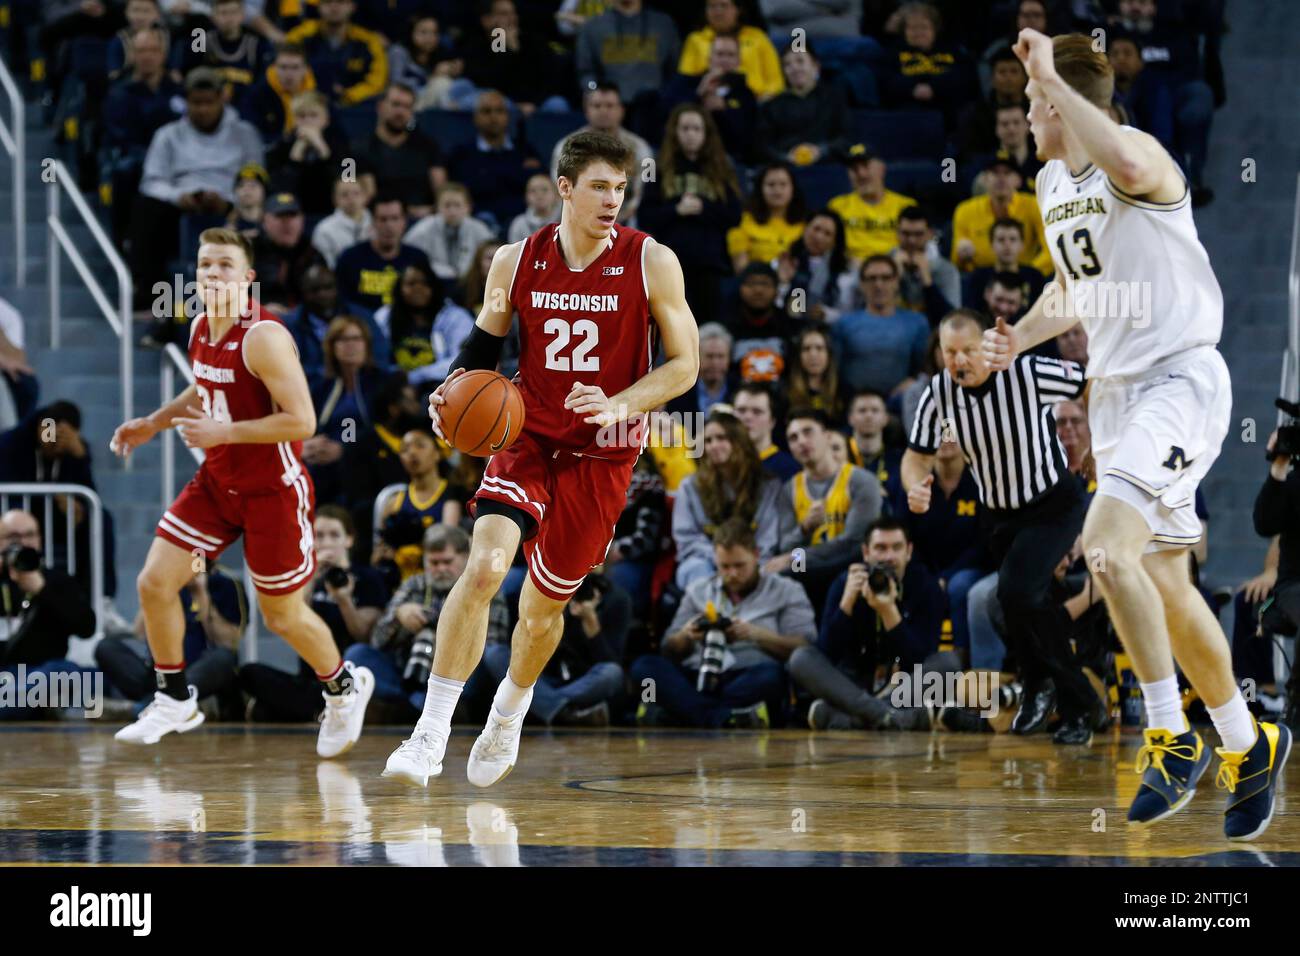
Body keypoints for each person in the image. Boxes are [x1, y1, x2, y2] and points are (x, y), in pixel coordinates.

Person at [981, 29, 1285, 839]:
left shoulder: (1141, 154)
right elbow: (1076, 289)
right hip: (1116, 396)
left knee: (1105, 548)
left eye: (1035, 103)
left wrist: (1056, 75)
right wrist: (1021, 336)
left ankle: (1167, 736)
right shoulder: (1050, 181)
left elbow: (1122, 163)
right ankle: (1250, 744)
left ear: (1063, 102)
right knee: (1168, 588)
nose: (1026, 115)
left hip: (1178, 379)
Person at [382, 130, 700, 788]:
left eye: (621, 188)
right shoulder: (514, 261)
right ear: (565, 188)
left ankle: (511, 707)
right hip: (527, 435)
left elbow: (686, 365)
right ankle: (430, 731)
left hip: (604, 452)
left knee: (541, 609)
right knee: (484, 566)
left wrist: (620, 403)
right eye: (599, 187)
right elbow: (479, 355)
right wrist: (450, 395)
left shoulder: (652, 261)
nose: (613, 200)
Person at [107, 228, 374, 757]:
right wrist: (154, 422)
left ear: (248, 278)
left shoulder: (264, 337)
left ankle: (345, 688)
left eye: (225, 265)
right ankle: (174, 698)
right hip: (218, 481)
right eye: (205, 264)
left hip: (272, 490)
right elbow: (204, 385)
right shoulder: (202, 325)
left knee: (282, 615)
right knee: (155, 583)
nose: (212, 273)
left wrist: (224, 432)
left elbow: (300, 421)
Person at [632, 517, 813, 728]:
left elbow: (805, 649)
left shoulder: (787, 590)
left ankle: (684, 714)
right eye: (724, 567)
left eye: (739, 565)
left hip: (747, 676)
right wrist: (687, 635)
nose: (732, 574)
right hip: (698, 675)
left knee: (773, 677)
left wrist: (757, 634)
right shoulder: (698, 590)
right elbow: (668, 649)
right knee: (644, 667)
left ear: (756, 556)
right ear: (715, 561)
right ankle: (722, 717)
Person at [128, 67, 265, 314]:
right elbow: (151, 181)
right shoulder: (168, 135)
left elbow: (257, 179)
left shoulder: (245, 134)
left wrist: (229, 201)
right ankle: (149, 296)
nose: (203, 109)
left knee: (259, 213)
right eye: (196, 102)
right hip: (180, 202)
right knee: (146, 208)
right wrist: (178, 197)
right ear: (186, 102)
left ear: (222, 98)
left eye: (209, 102)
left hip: (232, 202)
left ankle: (253, 302)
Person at [788, 516, 943, 730]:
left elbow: (920, 659)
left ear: (908, 552)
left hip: (901, 687)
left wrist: (888, 612)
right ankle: (892, 718)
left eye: (896, 548)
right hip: (852, 685)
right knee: (800, 658)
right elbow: (826, 655)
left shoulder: (926, 585)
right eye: (880, 548)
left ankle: (849, 718)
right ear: (866, 553)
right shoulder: (845, 583)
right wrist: (847, 603)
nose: (888, 557)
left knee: (948, 663)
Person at [241, 505, 389, 722]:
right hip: (311, 678)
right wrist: (311, 575)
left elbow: (364, 635)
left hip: (349, 675)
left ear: (349, 539)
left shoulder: (368, 578)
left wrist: (344, 600)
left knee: (264, 710)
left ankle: (312, 709)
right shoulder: (304, 580)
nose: (326, 543)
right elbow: (289, 619)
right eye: (319, 536)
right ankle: (320, 711)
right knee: (248, 672)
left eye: (334, 535)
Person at [352, 525, 509, 719]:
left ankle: (416, 708)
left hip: (459, 674)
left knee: (491, 657)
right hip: (412, 672)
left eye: (447, 562)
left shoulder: (483, 587)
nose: (441, 569)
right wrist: (399, 616)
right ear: (425, 560)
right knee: (357, 654)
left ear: (466, 557)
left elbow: (492, 642)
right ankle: (414, 705)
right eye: (434, 563)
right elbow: (377, 641)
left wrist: (443, 636)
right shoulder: (414, 584)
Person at [637, 104, 742, 324]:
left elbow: (734, 215)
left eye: (696, 129)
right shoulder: (654, 167)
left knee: (708, 327)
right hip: (670, 264)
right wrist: (676, 210)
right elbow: (645, 215)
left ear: (706, 134)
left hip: (712, 265)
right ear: (674, 132)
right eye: (685, 128)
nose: (691, 134)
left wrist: (704, 209)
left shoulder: (724, 167)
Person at [482, 569, 629, 726]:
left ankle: (543, 706)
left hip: (583, 682)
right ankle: (561, 712)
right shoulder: (543, 590)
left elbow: (612, 663)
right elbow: (524, 650)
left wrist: (590, 622)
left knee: (611, 673)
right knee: (495, 654)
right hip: (541, 679)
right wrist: (555, 613)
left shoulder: (617, 599)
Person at [96, 565, 245, 718]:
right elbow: (139, 633)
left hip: (197, 673)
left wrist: (201, 593)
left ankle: (141, 708)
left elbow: (226, 642)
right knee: (105, 647)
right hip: (159, 673)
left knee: (225, 658)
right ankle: (166, 706)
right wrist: (151, 590)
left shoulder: (225, 583)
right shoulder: (166, 581)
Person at [0, 510, 98, 720]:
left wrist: (43, 591)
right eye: (13, 537)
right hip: (5, 676)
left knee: (70, 672)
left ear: (39, 540)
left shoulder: (57, 580)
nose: (23, 543)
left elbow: (86, 627)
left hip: (44, 674)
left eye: (29, 535)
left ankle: (23, 703)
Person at [671, 409, 784, 589]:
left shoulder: (767, 486)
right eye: (708, 440)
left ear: (739, 441)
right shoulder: (690, 487)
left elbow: (768, 538)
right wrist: (723, 561)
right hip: (706, 562)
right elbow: (687, 540)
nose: (713, 446)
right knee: (694, 569)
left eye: (722, 438)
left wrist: (743, 562)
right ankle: (711, 617)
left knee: (774, 572)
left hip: (756, 561)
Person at [550, 84, 654, 226]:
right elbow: (559, 190)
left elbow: (648, 188)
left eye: (610, 106)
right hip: (579, 217)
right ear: (586, 111)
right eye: (597, 106)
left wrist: (618, 217)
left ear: (621, 111)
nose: (603, 111)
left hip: (625, 217)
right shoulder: (564, 146)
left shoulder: (643, 148)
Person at [831, 255, 930, 397]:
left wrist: (913, 382)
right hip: (854, 407)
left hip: (902, 405)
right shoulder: (843, 324)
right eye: (872, 278)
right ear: (861, 284)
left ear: (896, 282)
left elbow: (924, 369)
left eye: (886, 278)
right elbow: (835, 371)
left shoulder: (917, 323)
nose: (878, 285)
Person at [375, 261, 476, 390]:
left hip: (441, 385)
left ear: (434, 287)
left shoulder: (456, 317)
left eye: (424, 283)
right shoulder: (384, 316)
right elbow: (376, 358)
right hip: (394, 386)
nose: (418, 288)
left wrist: (414, 376)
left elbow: (462, 362)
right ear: (399, 288)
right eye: (411, 283)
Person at [353, 83, 447, 219]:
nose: (401, 112)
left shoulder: (429, 146)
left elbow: (442, 191)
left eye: (407, 107)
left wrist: (432, 210)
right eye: (396, 105)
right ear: (380, 107)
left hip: (422, 220)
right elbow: (346, 184)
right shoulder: (354, 149)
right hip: (375, 220)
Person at [950, 157, 1051, 276]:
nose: (1001, 179)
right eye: (994, 173)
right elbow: (956, 263)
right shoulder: (965, 210)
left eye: (1007, 173)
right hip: (982, 279)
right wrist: (962, 256)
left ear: (1018, 180)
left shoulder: (1034, 205)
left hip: (1026, 278)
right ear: (985, 179)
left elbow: (1050, 252)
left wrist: (1028, 274)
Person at [334, 195, 432, 312]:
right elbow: (343, 303)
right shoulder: (350, 258)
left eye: (395, 218)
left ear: (404, 222)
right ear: (373, 222)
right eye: (383, 219)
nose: (389, 226)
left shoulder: (418, 258)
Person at [755, 43, 848, 166]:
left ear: (816, 66)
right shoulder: (772, 106)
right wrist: (786, 158)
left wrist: (820, 151)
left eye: (800, 61)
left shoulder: (834, 99)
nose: (794, 68)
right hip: (786, 169)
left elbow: (846, 138)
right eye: (787, 64)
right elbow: (763, 146)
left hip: (828, 167)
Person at [283, 0, 387, 106]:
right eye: (327, 2)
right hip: (305, 104)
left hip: (353, 109)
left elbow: (376, 82)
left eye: (340, 2)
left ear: (352, 6)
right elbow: (282, 68)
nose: (334, 6)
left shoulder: (368, 42)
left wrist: (347, 95)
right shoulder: (299, 37)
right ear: (319, 6)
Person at [828, 146, 916, 264]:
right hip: (851, 268)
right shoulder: (837, 206)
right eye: (854, 168)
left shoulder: (905, 206)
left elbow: (916, 246)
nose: (861, 174)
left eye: (866, 166)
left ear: (882, 169)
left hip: (895, 268)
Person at [404, 184, 497, 284]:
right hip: (434, 284)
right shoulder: (421, 231)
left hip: (471, 284)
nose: (452, 211)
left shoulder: (480, 230)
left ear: (468, 207)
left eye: (457, 205)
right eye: (447, 205)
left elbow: (495, 258)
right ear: (437, 207)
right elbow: (409, 257)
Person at [727, 162, 806, 273]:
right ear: (760, 189)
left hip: (797, 287)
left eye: (783, 184)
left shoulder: (806, 225)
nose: (777, 191)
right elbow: (741, 270)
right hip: (758, 284)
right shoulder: (742, 222)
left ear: (793, 189)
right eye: (771, 185)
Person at [733, 382, 799, 480]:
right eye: (741, 410)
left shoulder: (791, 469)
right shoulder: (719, 463)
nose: (747, 417)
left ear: (772, 421)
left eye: (757, 411)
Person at [312, 179, 373, 270]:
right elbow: (327, 268)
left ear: (365, 196)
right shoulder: (324, 230)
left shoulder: (378, 222)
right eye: (345, 194)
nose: (351, 198)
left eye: (356, 193)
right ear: (335, 199)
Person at [507, 173, 561, 244]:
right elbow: (515, 253)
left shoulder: (565, 219)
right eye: (533, 191)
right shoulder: (519, 224)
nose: (539, 195)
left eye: (545, 190)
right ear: (526, 197)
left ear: (556, 194)